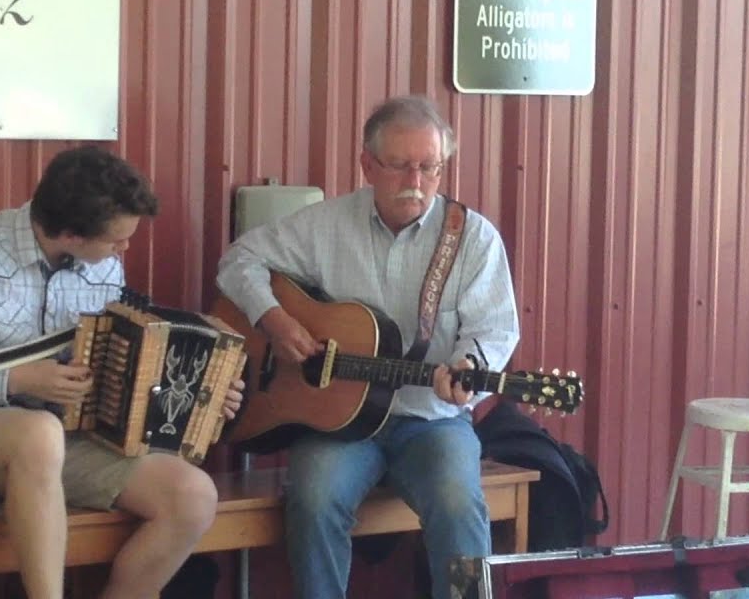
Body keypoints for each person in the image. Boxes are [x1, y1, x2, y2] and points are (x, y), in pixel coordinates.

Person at [0, 146, 244, 599]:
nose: (124, 250)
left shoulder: (103, 263)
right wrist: (13, 380)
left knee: (192, 495)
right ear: (71, 234)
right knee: (38, 433)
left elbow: (116, 363)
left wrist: (202, 395)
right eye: (116, 241)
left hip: (68, 432)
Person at [215, 94, 520, 599]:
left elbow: (495, 330)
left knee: (457, 501)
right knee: (313, 501)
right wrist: (273, 320)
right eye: (400, 166)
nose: (416, 182)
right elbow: (238, 261)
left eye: (430, 167)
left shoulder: (472, 239)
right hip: (341, 425)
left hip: (431, 421)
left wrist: (468, 367)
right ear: (367, 165)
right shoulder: (325, 225)